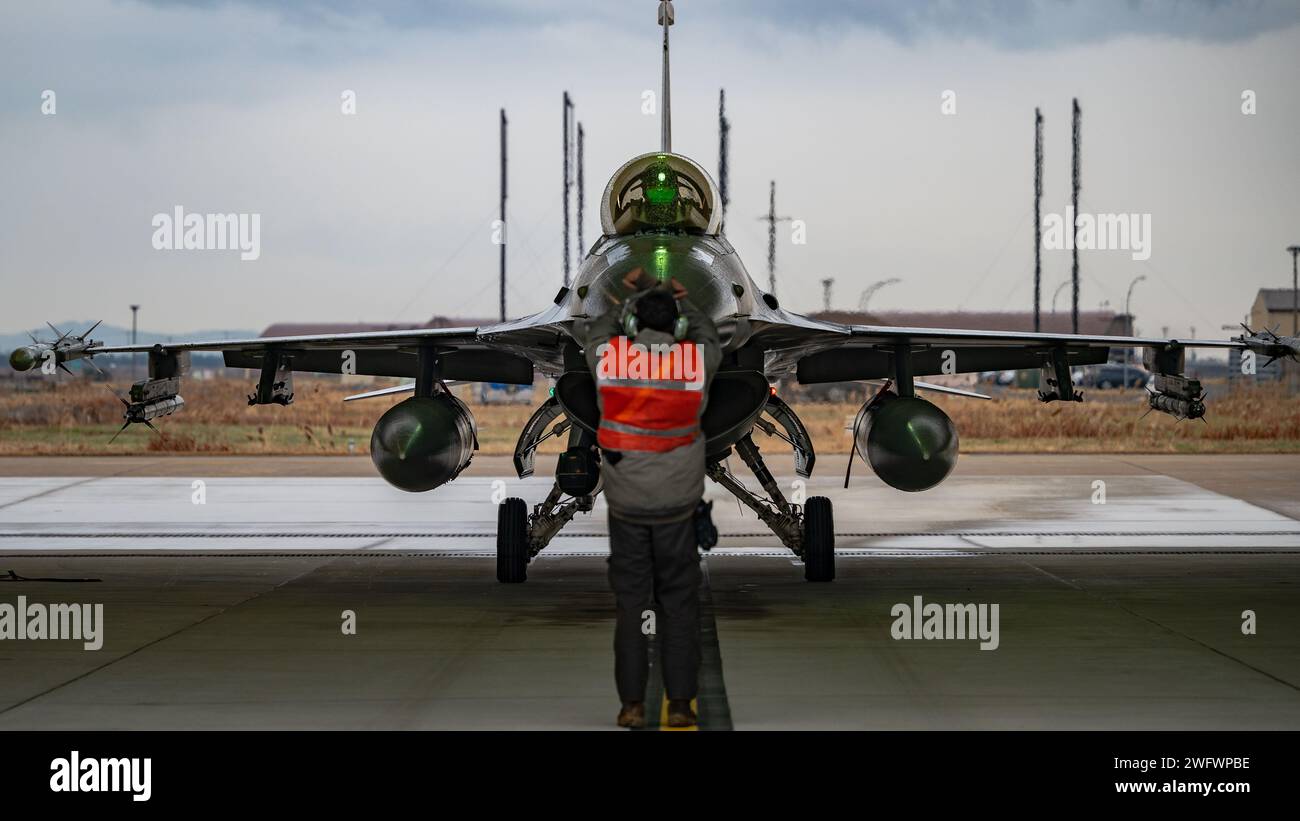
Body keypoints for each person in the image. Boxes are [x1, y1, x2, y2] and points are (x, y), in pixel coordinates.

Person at [578, 266, 721, 728]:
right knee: (680, 605)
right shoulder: (694, 362)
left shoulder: (610, 359)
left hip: (626, 510)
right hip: (678, 511)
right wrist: (688, 304)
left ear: (634, 324)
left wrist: (625, 302)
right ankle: (680, 705)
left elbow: (595, 334)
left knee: (631, 607)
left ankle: (632, 706)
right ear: (675, 325)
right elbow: (710, 338)